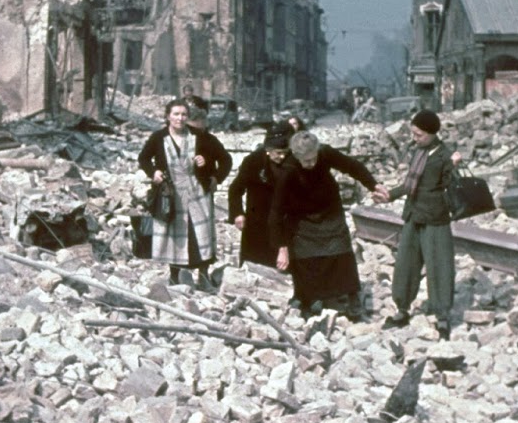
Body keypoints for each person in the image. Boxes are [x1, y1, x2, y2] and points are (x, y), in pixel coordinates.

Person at [270, 130, 388, 319]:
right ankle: (310, 297)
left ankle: (351, 296)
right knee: (305, 254)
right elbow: (276, 211)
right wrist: (281, 246)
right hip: (301, 214)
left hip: (328, 207)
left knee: (340, 249)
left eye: (313, 158)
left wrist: (373, 185)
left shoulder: (324, 153)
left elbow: (352, 166)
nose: (312, 164)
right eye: (306, 161)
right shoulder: (287, 170)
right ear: (296, 156)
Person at [138, 97, 232, 289]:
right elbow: (144, 158)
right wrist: (154, 172)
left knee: (200, 232)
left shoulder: (201, 137)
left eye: (183, 115)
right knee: (174, 233)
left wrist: (213, 176)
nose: (180, 118)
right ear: (168, 116)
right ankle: (175, 277)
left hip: (198, 192)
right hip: (171, 193)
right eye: (176, 114)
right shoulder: (158, 138)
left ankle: (203, 277)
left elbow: (225, 160)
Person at [384, 109, 459, 337]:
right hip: (413, 215)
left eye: (419, 135)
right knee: (406, 263)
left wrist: (454, 166)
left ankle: (443, 316)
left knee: (439, 266)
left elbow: (453, 186)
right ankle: (402, 308)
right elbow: (409, 184)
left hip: (435, 217)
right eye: (413, 134)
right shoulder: (419, 152)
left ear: (432, 133)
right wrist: (390, 195)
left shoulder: (444, 156)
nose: (414, 139)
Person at [227, 120, 296, 266]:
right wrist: (238, 213)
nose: (282, 157)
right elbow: (235, 189)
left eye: (285, 153)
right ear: (268, 149)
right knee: (256, 263)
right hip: (258, 219)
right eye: (278, 153)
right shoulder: (253, 161)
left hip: (285, 220)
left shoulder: (293, 161)